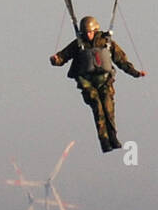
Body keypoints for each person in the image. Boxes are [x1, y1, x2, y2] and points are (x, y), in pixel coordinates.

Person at [50, 16, 145, 153]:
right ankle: (104, 141)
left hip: (105, 81)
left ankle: (113, 137)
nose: (88, 35)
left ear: (95, 30)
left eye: (90, 32)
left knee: (108, 107)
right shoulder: (78, 43)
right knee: (98, 108)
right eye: (86, 32)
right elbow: (63, 57)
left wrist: (135, 73)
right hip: (87, 83)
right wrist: (55, 60)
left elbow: (121, 61)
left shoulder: (106, 42)